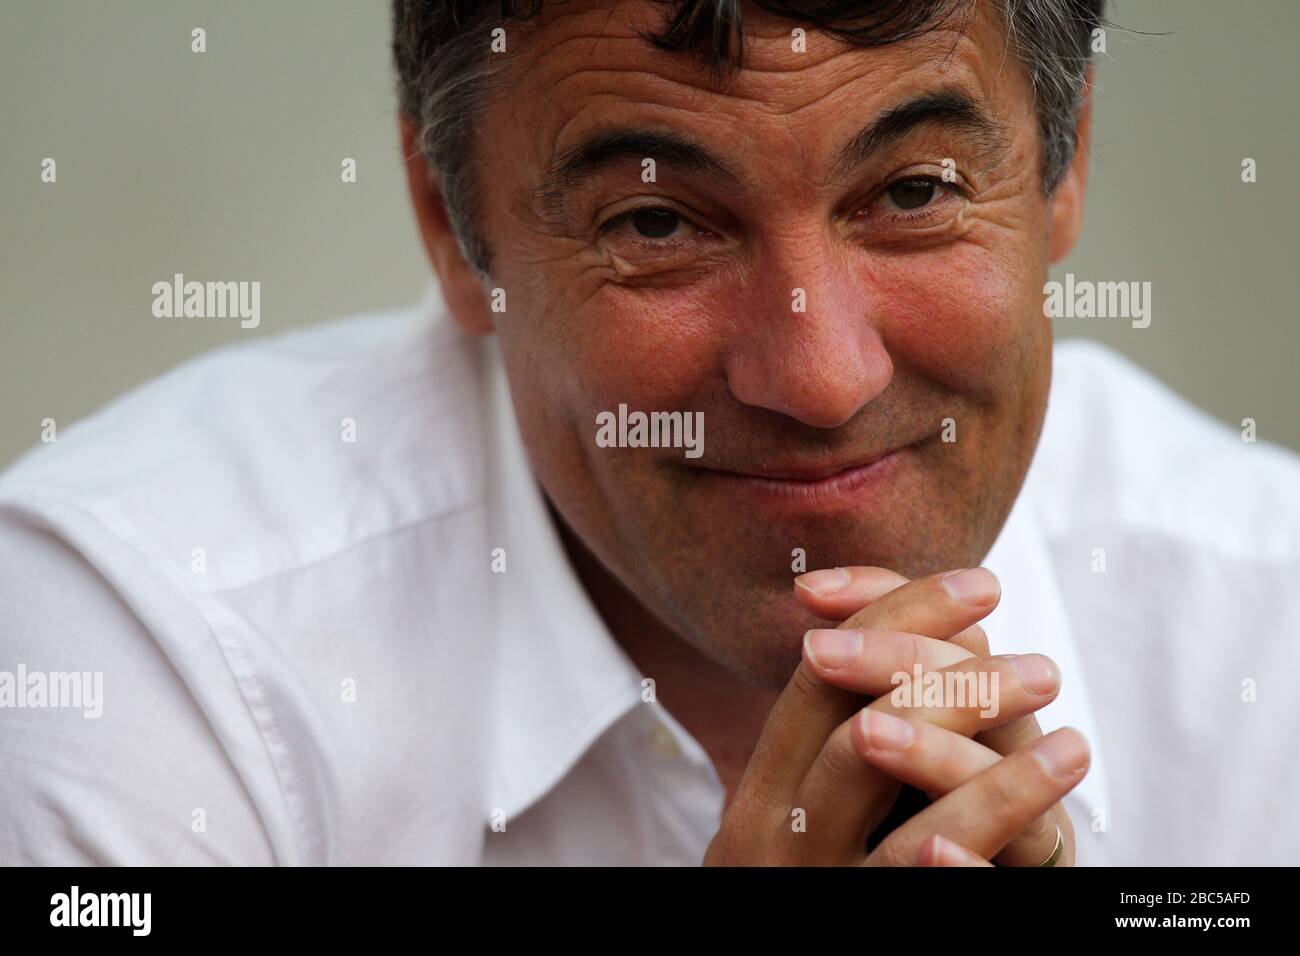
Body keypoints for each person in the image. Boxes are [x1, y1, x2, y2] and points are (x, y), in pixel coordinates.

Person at [1, 0, 1296, 866]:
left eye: (914, 193)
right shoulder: (144, 647)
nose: (822, 379)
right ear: (456, 230)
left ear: (1063, 177)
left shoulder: (1265, 632)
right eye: (658, 224)